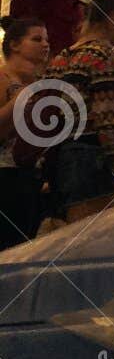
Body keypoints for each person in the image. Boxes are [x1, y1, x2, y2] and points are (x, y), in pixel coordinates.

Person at [41, 0, 114, 216]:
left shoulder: (62, 57)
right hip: (91, 159)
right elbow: (108, 119)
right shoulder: (103, 56)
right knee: (90, 233)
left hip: (60, 157)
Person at [1, 14, 50, 247]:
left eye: (46, 40)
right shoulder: (2, 78)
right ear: (14, 45)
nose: (45, 44)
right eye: (36, 39)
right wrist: (17, 101)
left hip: (29, 177)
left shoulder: (39, 82)